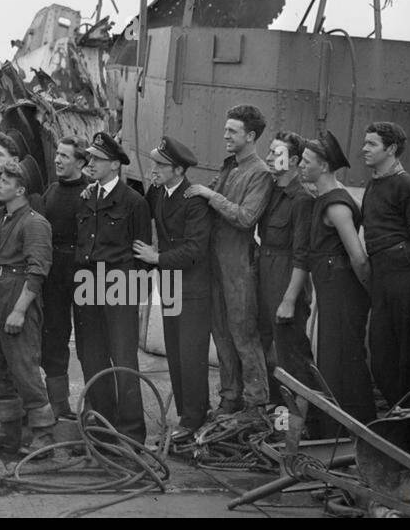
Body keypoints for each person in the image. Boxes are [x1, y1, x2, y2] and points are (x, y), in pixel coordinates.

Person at [277, 131, 376, 431]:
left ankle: (358, 431)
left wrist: (371, 294)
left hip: (343, 292)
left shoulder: (336, 206)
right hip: (332, 288)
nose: (301, 166)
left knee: (345, 362)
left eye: (306, 161)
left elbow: (358, 258)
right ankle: (340, 430)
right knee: (334, 362)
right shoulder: (323, 199)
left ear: (323, 166)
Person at [185, 104, 273, 423]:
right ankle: (230, 397)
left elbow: (246, 217)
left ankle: (256, 403)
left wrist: (210, 195)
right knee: (221, 333)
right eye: (226, 129)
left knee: (243, 336)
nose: (225, 135)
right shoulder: (230, 166)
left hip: (239, 268)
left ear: (250, 136)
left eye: (232, 130)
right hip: (216, 265)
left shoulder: (260, 173)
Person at [74, 131, 152, 444]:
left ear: (115, 165)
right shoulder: (87, 196)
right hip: (87, 284)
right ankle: (102, 430)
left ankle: (132, 435)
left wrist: (136, 294)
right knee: (91, 357)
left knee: (123, 361)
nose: (90, 163)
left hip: (120, 284)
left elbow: (143, 254)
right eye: (90, 157)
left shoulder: (134, 202)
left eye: (97, 159)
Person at [133, 136, 212, 443]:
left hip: (192, 288)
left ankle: (194, 419)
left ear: (178, 170)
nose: (154, 169)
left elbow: (195, 250)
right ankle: (185, 416)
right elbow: (140, 206)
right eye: (154, 163)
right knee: (176, 355)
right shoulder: (158, 192)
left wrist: (157, 258)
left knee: (191, 356)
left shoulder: (194, 201)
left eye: (160, 165)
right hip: (171, 286)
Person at [0, 160, 57, 451]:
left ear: (20, 189)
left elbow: (37, 272)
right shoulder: (3, 218)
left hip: (19, 295)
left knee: (24, 368)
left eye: (5, 182)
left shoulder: (35, 223)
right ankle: (8, 431)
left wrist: (20, 310)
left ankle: (43, 434)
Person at [360, 121, 410, 406]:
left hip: (407, 280)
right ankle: (399, 417)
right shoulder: (374, 184)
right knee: (382, 358)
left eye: (371, 144)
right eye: (364, 142)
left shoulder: (407, 186)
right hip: (383, 279)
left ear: (391, 149)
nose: (363, 148)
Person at [256, 131, 318, 411]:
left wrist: (290, 299)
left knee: (290, 355)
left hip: (286, 278)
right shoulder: (271, 190)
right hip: (265, 273)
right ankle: (276, 414)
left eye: (275, 152)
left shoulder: (302, 199)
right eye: (268, 151)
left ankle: (302, 422)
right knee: (270, 353)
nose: (268, 157)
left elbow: (302, 255)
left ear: (293, 160)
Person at [37, 136, 91, 420]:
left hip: (84, 273)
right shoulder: (51, 191)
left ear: (81, 162)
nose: (57, 160)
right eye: (57, 154)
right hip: (54, 274)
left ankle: (95, 406)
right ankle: (60, 406)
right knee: (54, 338)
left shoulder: (91, 194)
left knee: (89, 339)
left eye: (65, 156)